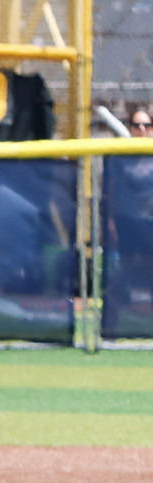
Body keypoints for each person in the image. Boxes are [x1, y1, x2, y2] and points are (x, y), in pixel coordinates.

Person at [103, 108, 153, 338]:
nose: (141, 130)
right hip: (127, 226)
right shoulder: (120, 155)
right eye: (136, 125)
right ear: (130, 128)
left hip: (150, 226)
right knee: (120, 277)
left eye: (146, 126)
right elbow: (110, 194)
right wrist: (111, 225)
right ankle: (108, 333)